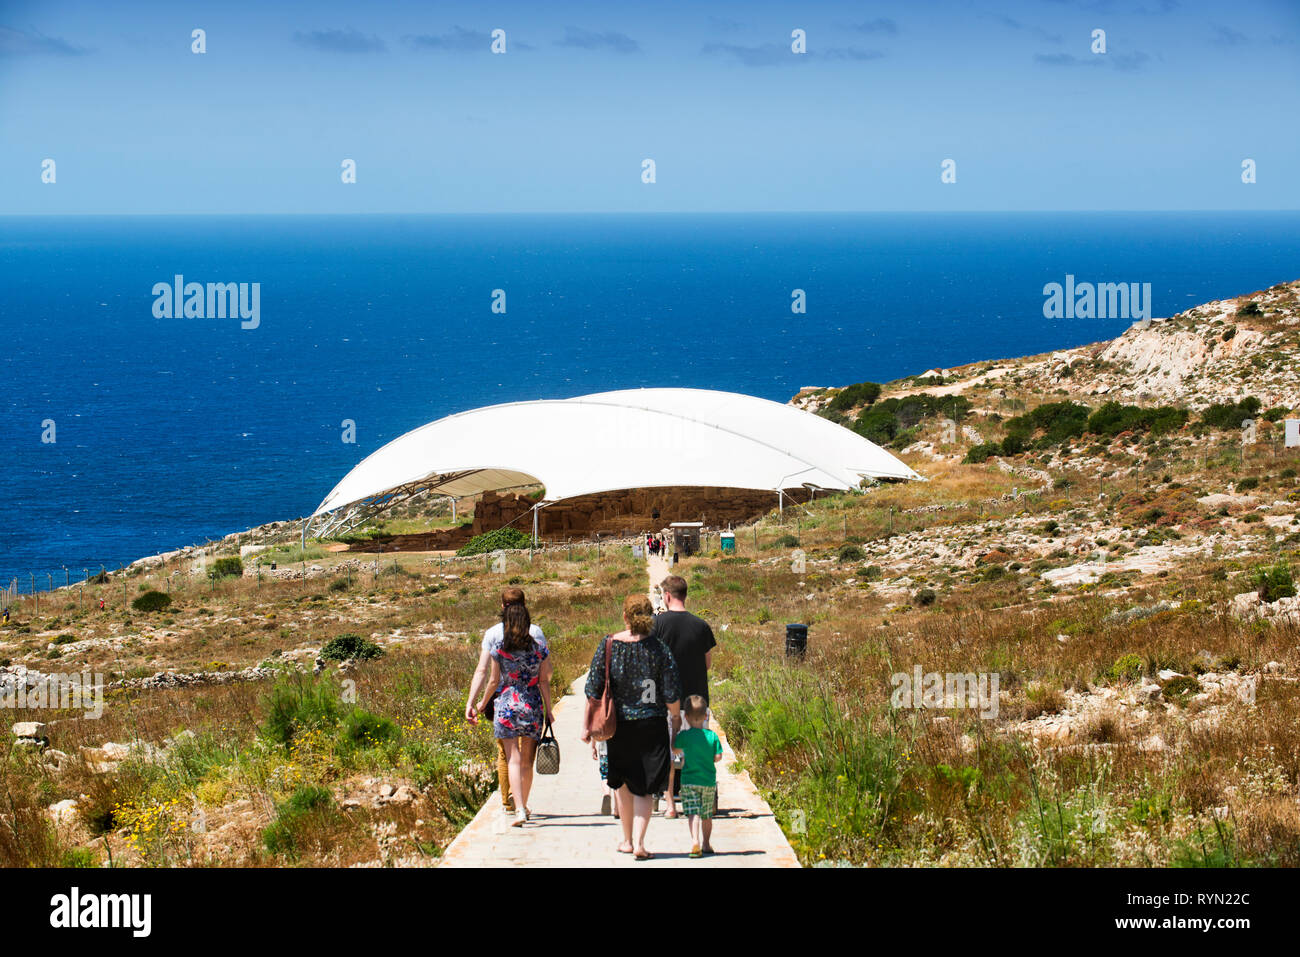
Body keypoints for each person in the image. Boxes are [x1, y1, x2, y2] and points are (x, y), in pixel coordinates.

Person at [581, 594, 681, 860]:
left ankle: (625, 840)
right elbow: (671, 693)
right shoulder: (660, 649)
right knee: (645, 786)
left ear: (625, 616)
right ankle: (639, 843)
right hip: (651, 723)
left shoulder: (609, 645)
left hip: (619, 726)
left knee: (623, 783)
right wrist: (676, 720)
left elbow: (592, 689)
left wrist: (588, 727)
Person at [465, 587, 547, 815]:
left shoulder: (493, 635)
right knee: (526, 758)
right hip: (531, 699)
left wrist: (475, 702)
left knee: (507, 754)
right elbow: (545, 675)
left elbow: (483, 672)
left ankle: (508, 801)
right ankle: (522, 802)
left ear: (502, 607)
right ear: (525, 604)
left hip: (502, 699)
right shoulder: (537, 634)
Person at [652, 574, 717, 818]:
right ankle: (701, 800)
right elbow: (707, 663)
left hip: (668, 701)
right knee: (697, 752)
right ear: (684, 595)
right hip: (696, 701)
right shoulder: (701, 626)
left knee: (669, 752)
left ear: (667, 596)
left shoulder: (657, 625)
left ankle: (669, 804)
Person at [672, 695, 723, 857]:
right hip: (708, 781)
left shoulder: (685, 736)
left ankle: (695, 841)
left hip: (688, 781)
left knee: (693, 812)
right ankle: (707, 843)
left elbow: (675, 750)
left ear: (685, 716)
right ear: (706, 716)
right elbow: (718, 757)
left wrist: (674, 731)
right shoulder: (712, 736)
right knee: (707, 815)